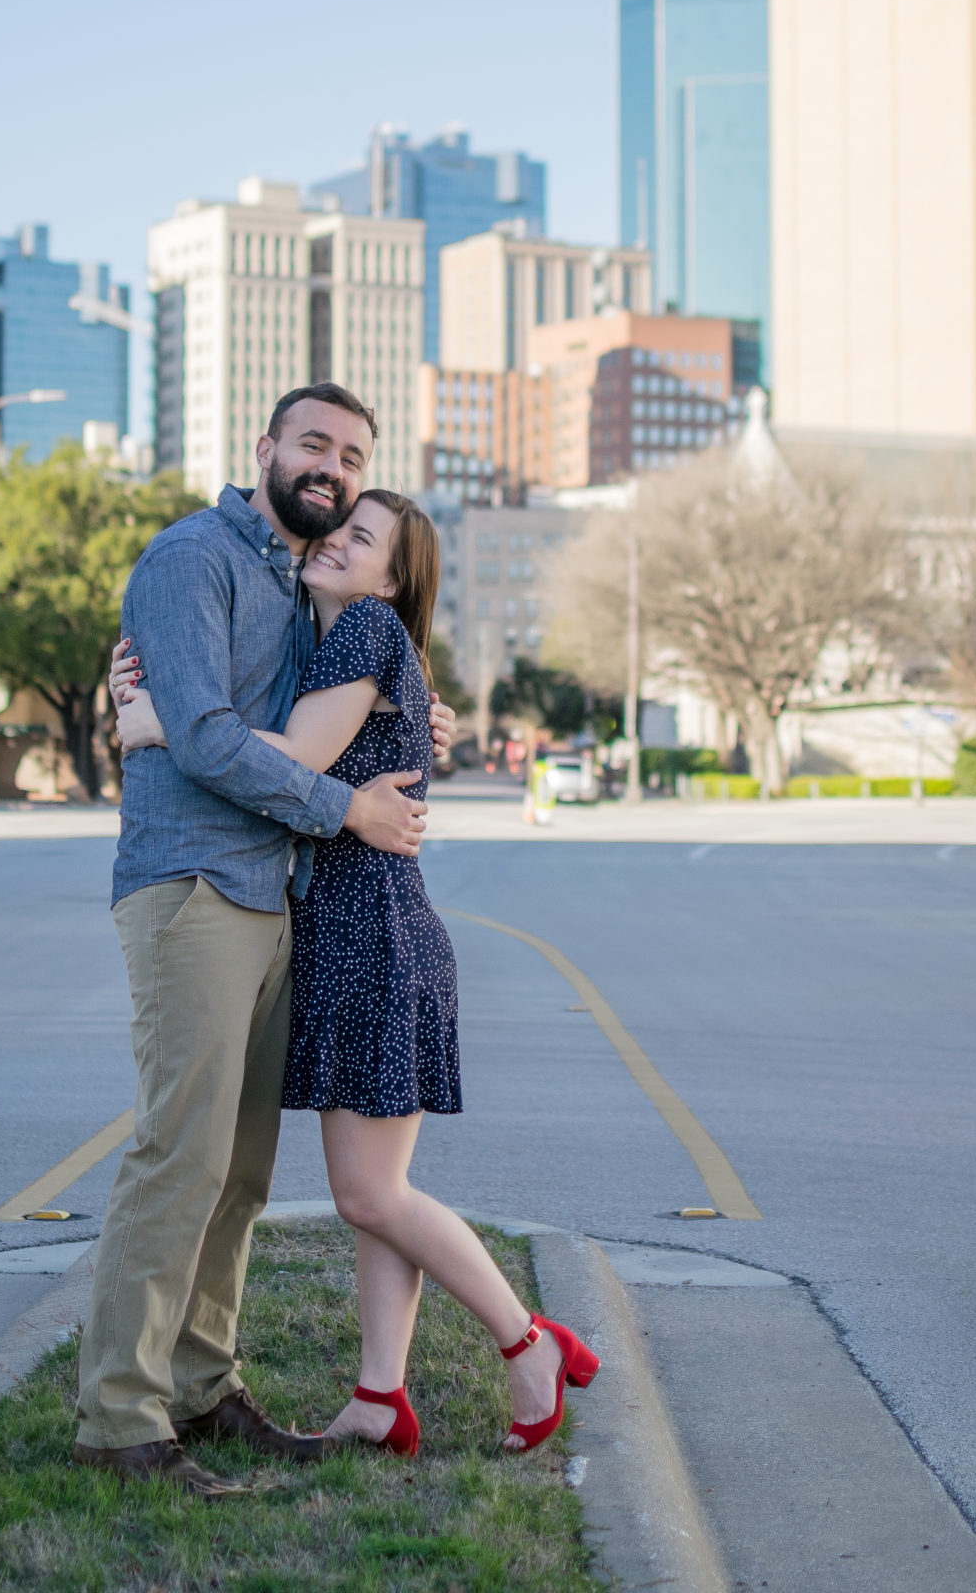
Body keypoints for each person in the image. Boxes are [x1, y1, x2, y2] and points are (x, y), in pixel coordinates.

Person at [114, 488, 600, 1463]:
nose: (334, 538)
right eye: (338, 527)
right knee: (380, 1190)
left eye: (361, 536)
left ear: (390, 578)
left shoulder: (364, 632)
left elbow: (294, 757)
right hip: (358, 932)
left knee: (370, 1197)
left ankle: (529, 1342)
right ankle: (380, 1396)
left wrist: (159, 723)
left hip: (370, 936)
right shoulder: (343, 640)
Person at [73, 383, 456, 1498]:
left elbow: (317, 710)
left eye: (352, 456)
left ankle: (202, 1384)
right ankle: (120, 1419)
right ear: (266, 448)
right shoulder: (192, 558)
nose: (331, 468)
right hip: (191, 885)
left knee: (237, 1172)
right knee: (179, 1155)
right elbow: (205, 737)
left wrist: (413, 705)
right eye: (313, 445)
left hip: (271, 894)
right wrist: (346, 810)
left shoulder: (302, 586)